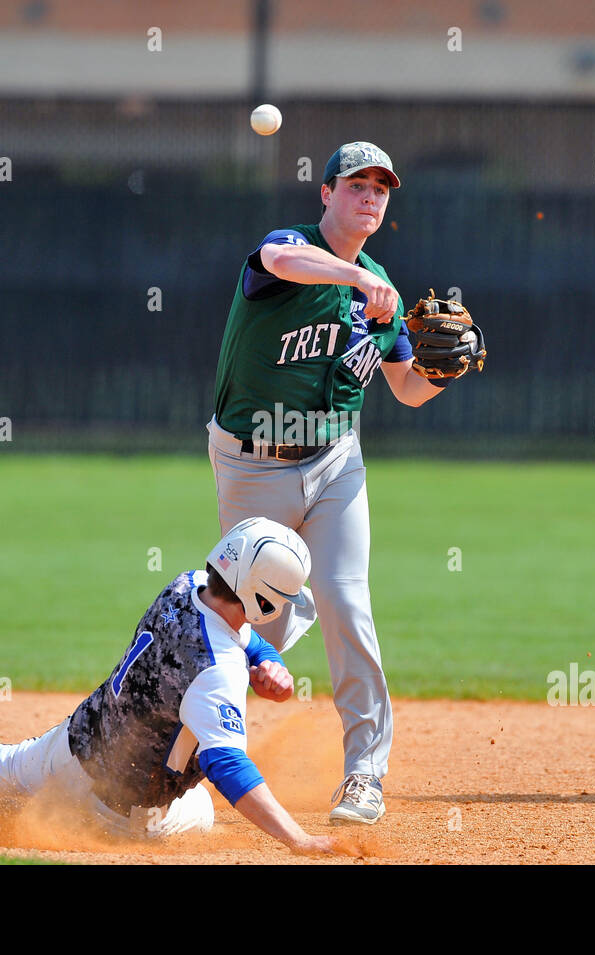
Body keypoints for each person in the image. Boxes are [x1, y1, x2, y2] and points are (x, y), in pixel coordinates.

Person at [207, 142, 463, 825]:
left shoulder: (384, 290)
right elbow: (281, 262)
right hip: (252, 461)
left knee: (349, 604)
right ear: (326, 194)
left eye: (382, 187)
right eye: (356, 185)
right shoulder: (289, 250)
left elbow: (407, 389)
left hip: (334, 465)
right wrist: (354, 281)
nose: (371, 196)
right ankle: (178, 741)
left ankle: (364, 776)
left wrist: (445, 371)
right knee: (240, 615)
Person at [0, 518, 353, 856]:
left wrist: (264, 659)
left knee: (9, 765)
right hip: (117, 817)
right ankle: (30, 814)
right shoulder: (217, 673)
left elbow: (231, 627)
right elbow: (227, 764)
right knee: (201, 805)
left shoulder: (187, 584)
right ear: (262, 599)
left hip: (77, 741)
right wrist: (298, 840)